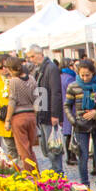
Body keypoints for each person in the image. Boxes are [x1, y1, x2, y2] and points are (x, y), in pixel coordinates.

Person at [66, 58, 96, 190]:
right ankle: (85, 186)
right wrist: (73, 121)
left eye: (87, 75)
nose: (84, 78)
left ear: (93, 73)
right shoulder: (73, 86)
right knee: (82, 156)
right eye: (82, 75)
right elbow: (67, 106)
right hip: (80, 125)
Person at [25, 45, 65, 174]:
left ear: (39, 54)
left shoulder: (50, 68)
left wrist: (55, 114)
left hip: (49, 113)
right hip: (43, 112)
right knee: (47, 146)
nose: (30, 59)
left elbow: (56, 92)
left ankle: (58, 172)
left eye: (32, 56)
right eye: (29, 57)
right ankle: (55, 171)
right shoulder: (40, 69)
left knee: (53, 146)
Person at [3, 55, 40, 168]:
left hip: (19, 117)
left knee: (23, 150)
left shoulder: (14, 81)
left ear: (10, 68)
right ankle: (36, 172)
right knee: (30, 149)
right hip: (31, 115)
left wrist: (8, 120)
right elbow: (37, 100)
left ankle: (30, 176)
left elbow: (12, 101)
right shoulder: (32, 79)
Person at [0, 55, 16, 161]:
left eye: (5, 66)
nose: (4, 69)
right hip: (3, 118)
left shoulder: (15, 79)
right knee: (9, 146)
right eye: (0, 67)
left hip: (15, 116)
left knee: (20, 146)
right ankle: (15, 167)